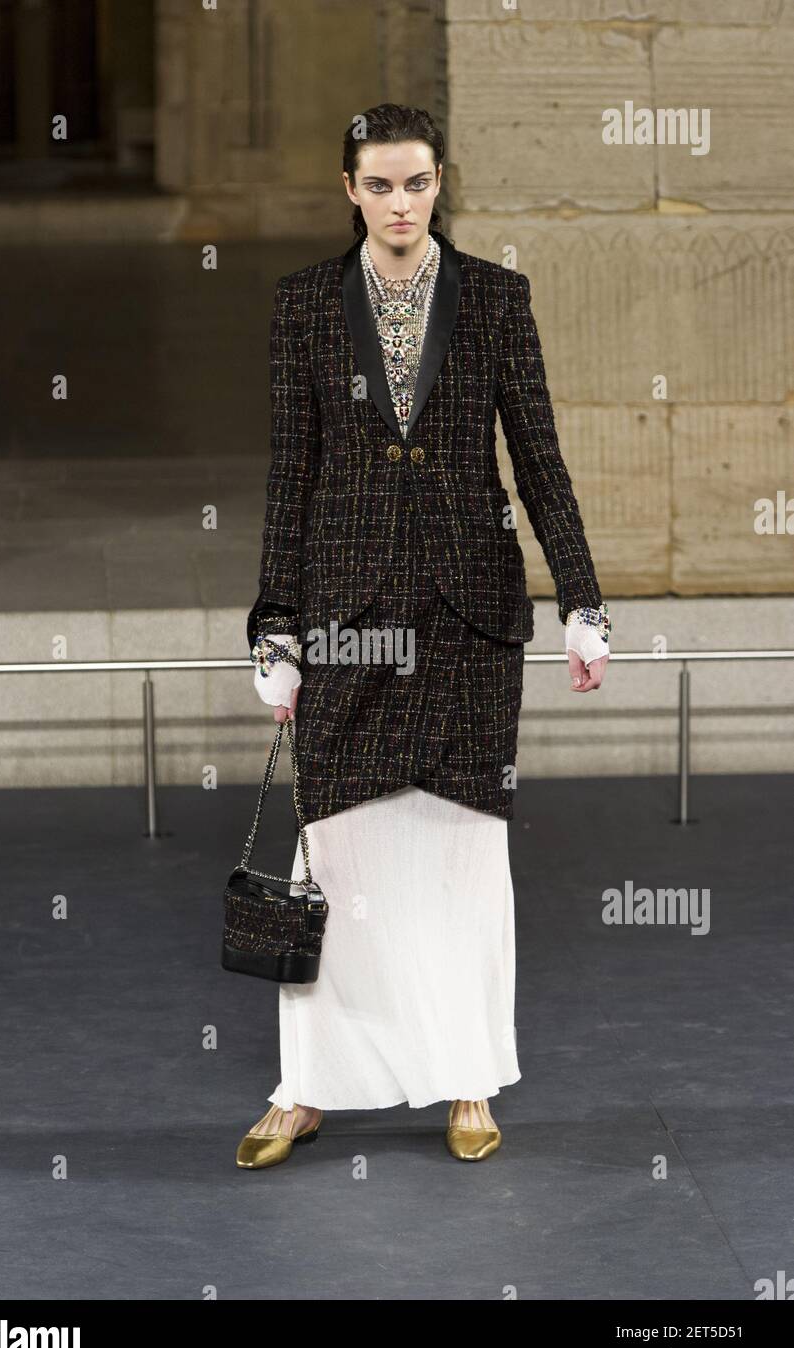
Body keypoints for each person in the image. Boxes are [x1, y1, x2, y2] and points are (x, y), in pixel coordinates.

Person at [236, 104, 610, 1169]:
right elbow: (288, 474)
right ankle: (306, 1086)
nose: (401, 204)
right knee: (333, 853)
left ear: (439, 180)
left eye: (417, 183)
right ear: (348, 189)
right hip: (344, 610)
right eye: (379, 186)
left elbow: (537, 456)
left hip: (468, 611)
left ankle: (465, 1077)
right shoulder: (304, 304)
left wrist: (584, 599)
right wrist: (274, 626)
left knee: (460, 858)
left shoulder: (496, 297)